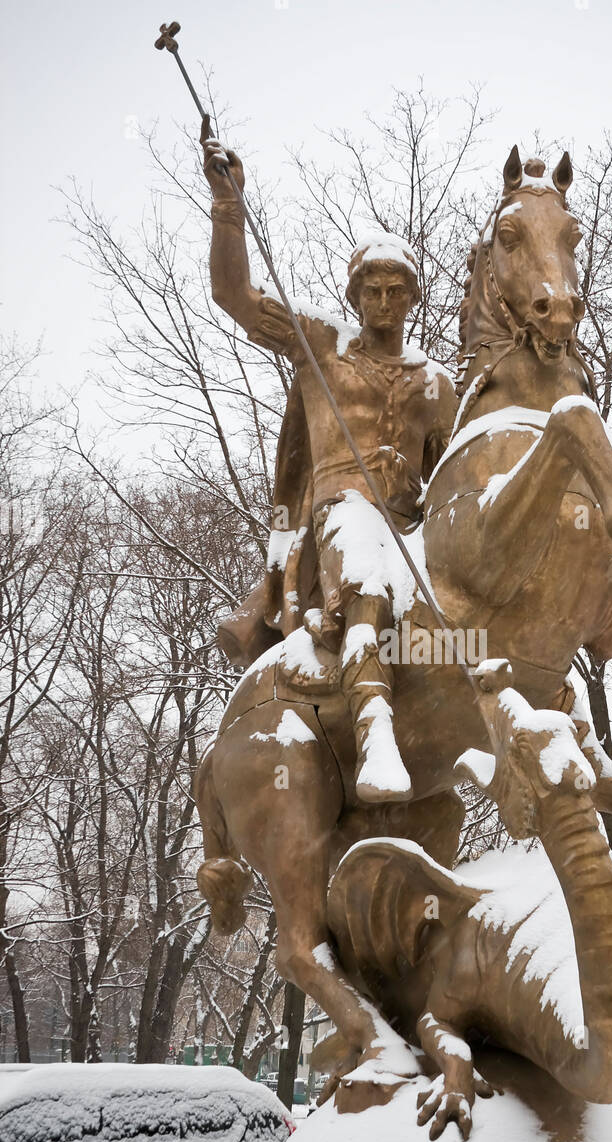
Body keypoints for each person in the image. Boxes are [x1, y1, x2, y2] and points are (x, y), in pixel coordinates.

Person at [203, 137, 457, 803]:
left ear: (412, 299)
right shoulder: (319, 344)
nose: (383, 301)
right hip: (340, 516)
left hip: (411, 529)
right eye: (370, 289)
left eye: (396, 290)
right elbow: (233, 295)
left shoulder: (436, 383)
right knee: (360, 553)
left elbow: (455, 483)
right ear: (354, 296)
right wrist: (229, 205)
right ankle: (374, 730)